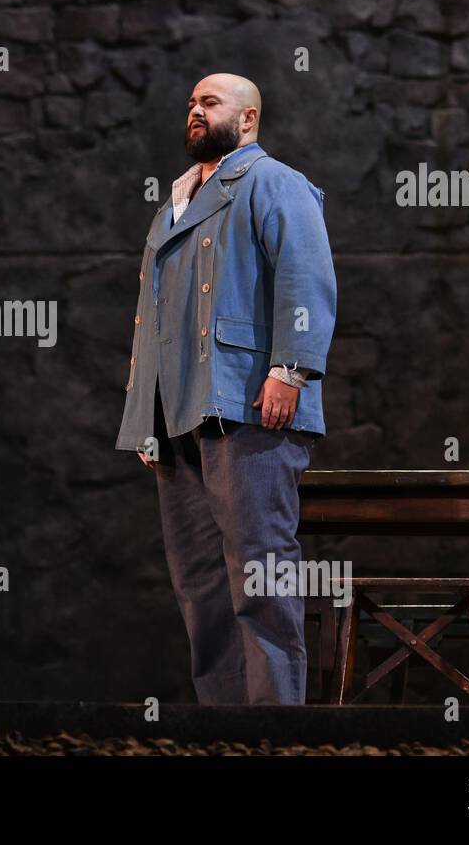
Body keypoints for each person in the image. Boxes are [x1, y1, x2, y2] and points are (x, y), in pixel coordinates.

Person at [115, 73, 337, 705]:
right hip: (179, 412)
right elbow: (152, 315)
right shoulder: (177, 200)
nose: (194, 111)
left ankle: (274, 727)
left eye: (208, 102)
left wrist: (289, 369)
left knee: (260, 573)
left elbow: (306, 277)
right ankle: (224, 727)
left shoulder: (274, 182)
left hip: (245, 405)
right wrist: (145, 416)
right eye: (190, 102)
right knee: (200, 584)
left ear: (247, 120)